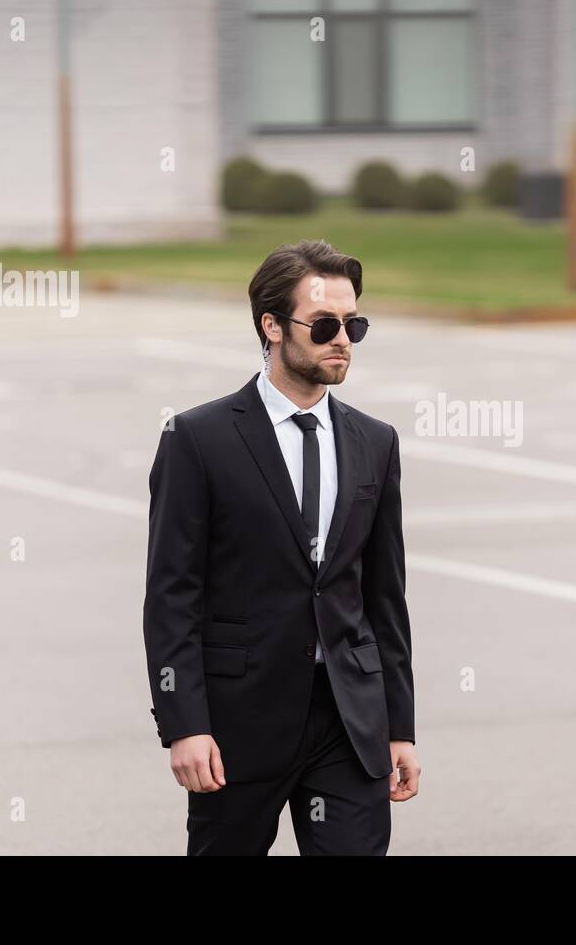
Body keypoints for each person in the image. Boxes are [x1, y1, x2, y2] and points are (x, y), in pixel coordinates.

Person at [143, 238, 419, 855]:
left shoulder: (376, 442)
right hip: (240, 726)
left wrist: (399, 727)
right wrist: (184, 725)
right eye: (324, 325)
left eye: (355, 325)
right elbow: (171, 595)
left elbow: (385, 597)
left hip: (349, 724)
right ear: (272, 326)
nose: (342, 339)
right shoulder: (198, 439)